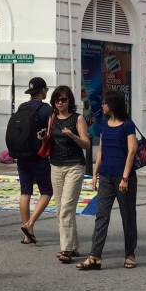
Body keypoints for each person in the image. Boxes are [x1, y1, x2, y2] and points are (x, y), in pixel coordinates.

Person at [77, 90, 138, 271]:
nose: (102, 105)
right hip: (105, 175)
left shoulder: (128, 125)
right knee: (101, 216)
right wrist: (95, 174)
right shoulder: (104, 124)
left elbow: (132, 151)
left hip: (123, 177)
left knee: (127, 216)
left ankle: (130, 254)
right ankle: (95, 256)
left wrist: (125, 177)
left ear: (113, 104)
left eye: (104, 103)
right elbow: (101, 150)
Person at [48, 85, 91, 262]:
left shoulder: (77, 118)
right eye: (57, 100)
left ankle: (65, 249)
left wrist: (73, 136)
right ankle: (73, 247)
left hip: (74, 166)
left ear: (70, 101)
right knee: (61, 209)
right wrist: (43, 137)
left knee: (66, 207)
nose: (60, 103)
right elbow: (50, 140)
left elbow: (87, 145)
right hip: (56, 166)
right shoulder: (52, 119)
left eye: (64, 100)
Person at [15, 77, 54, 245]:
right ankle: (30, 224)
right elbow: (52, 131)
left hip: (22, 155)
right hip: (39, 155)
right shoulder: (46, 109)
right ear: (43, 90)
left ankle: (27, 233)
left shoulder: (22, 107)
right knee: (46, 191)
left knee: (25, 193)